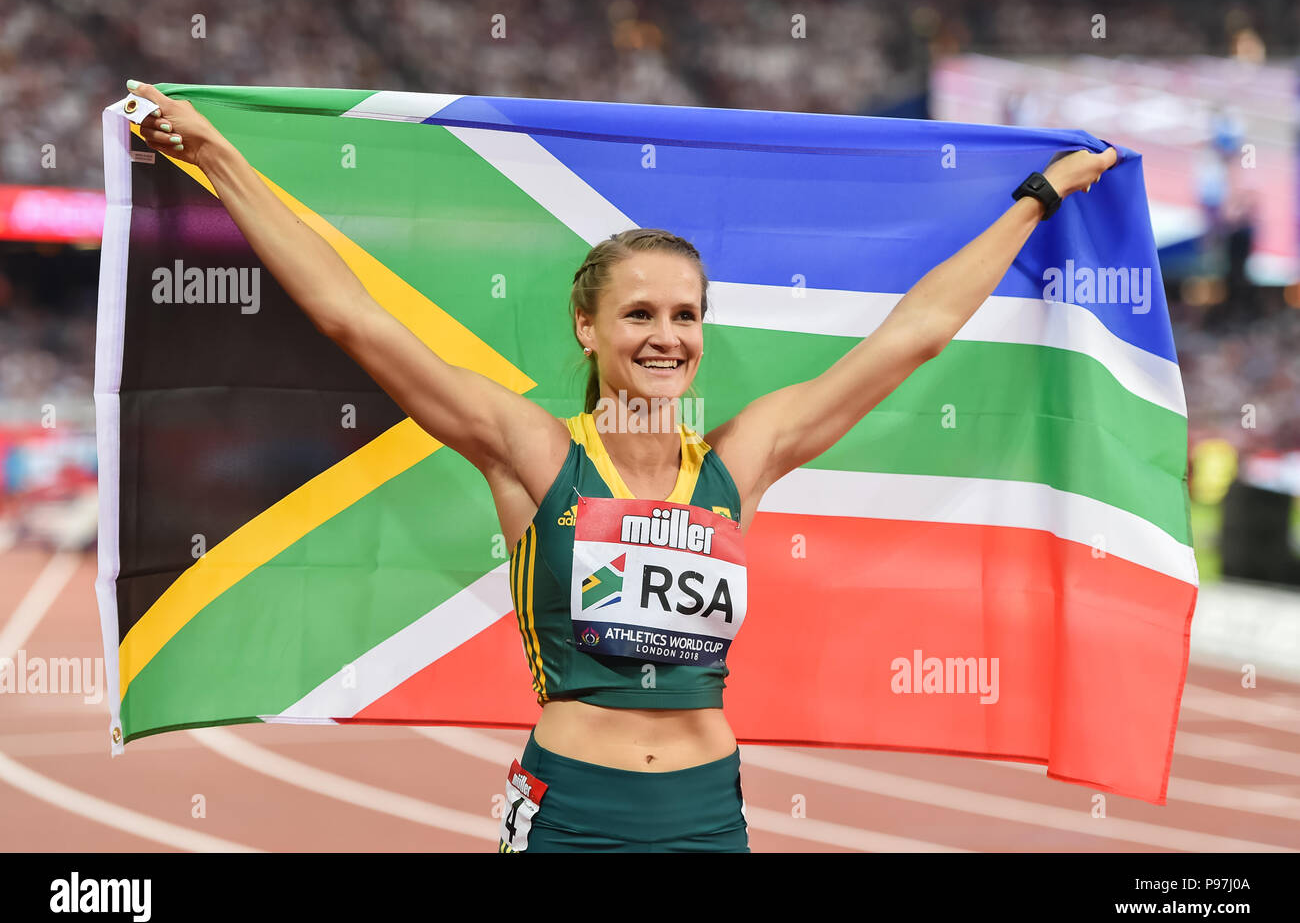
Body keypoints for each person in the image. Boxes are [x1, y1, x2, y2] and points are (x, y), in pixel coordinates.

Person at [122, 80, 1117, 852]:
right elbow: (353, 317)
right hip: (574, 808)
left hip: (704, 812)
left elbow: (916, 336)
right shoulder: (532, 452)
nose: (666, 335)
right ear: (586, 326)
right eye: (639, 313)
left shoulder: (745, 452)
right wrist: (219, 157)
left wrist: (1035, 199)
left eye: (685, 314)